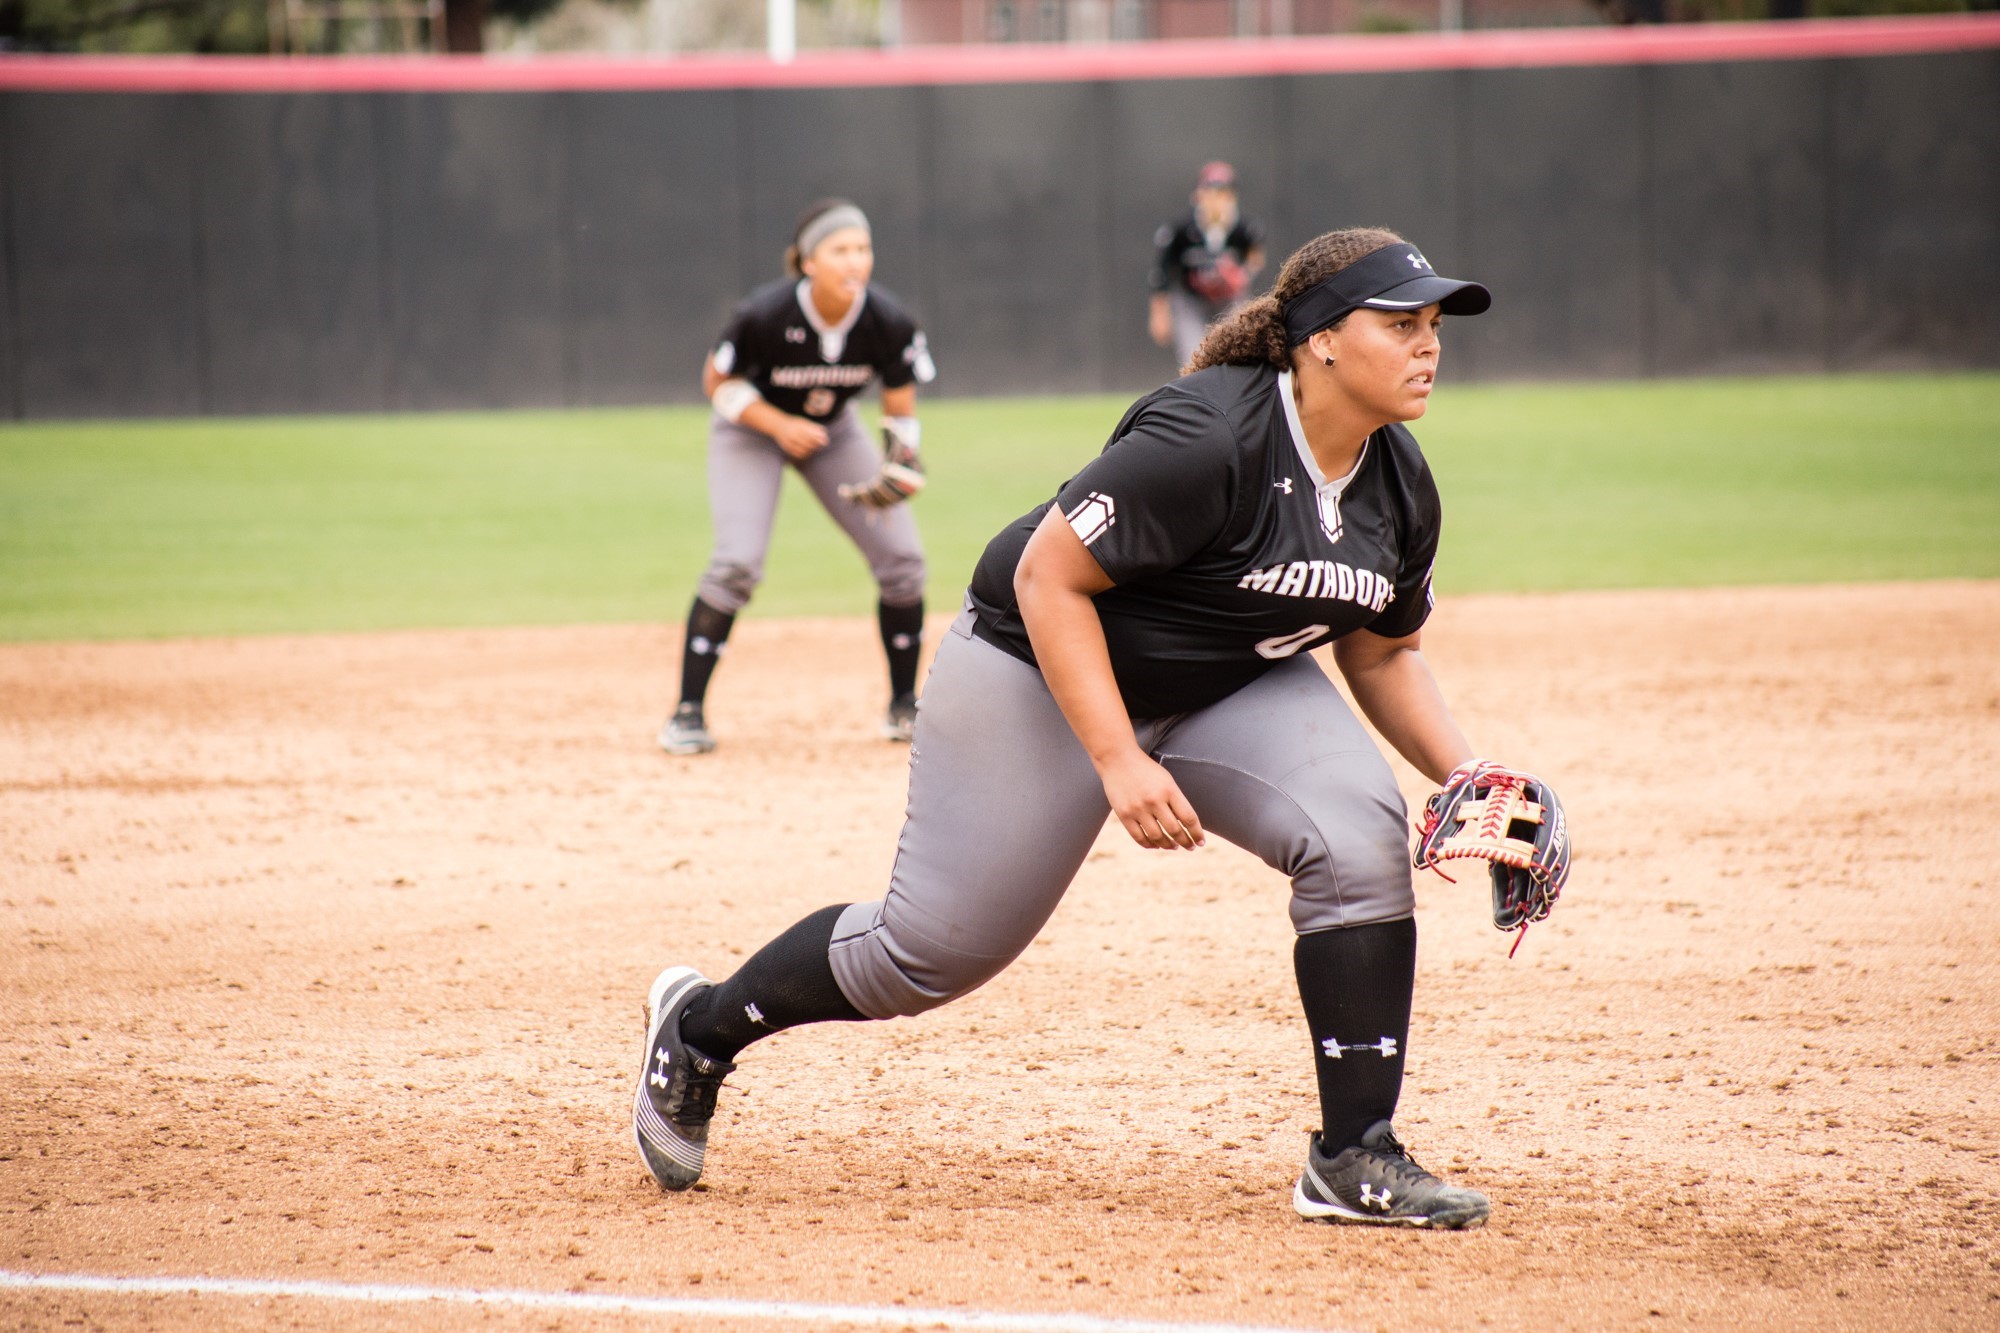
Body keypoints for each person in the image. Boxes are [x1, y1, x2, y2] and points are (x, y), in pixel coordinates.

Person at [635, 226, 1568, 1229]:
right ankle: (699, 1028)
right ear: (1319, 340)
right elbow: (1047, 577)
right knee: (926, 952)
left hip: (1226, 683)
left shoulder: (1398, 484)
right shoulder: (1206, 436)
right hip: (1033, 666)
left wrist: (1469, 771)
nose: (1427, 345)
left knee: (1356, 836)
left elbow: (1381, 652)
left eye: (1433, 325)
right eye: (1398, 324)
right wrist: (1116, 758)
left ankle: (1352, 1155)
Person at [659, 198, 937, 755]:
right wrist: (778, 424)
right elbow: (717, 383)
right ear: (808, 261)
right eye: (840, 250)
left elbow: (899, 404)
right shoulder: (764, 314)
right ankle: (686, 713)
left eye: (862, 248)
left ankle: (903, 707)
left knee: (903, 560)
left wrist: (900, 459)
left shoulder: (887, 319)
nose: (855, 261)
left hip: (834, 432)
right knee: (736, 562)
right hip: (751, 430)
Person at [1148, 161, 1266, 373]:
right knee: (1195, 358)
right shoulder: (1181, 230)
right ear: (1197, 195)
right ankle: (1196, 401)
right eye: (1210, 192)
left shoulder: (1245, 229)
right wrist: (1160, 313)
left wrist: (1241, 275)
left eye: (1223, 193)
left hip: (1229, 300)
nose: (1216, 200)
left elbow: (1255, 257)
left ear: (1232, 197)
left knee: (1238, 354)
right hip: (1190, 300)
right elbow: (1161, 273)